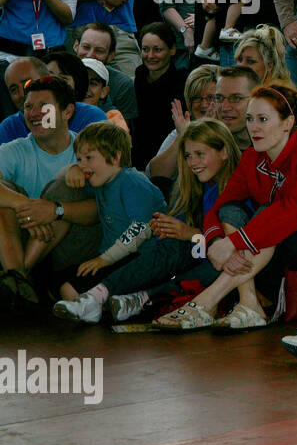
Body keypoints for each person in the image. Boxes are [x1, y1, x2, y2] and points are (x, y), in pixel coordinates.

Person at [154, 83, 297, 330]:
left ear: (288, 122)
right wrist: (217, 242)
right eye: (250, 119)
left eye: (263, 119)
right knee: (232, 210)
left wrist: (233, 242)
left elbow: (291, 212)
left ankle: (207, 301)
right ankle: (248, 302)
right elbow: (221, 206)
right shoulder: (252, 157)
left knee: (270, 214)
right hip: (277, 256)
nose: (254, 127)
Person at [51, 119, 242, 324]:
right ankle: (105, 296)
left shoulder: (238, 190)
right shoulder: (190, 187)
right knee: (173, 245)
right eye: (188, 156)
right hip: (187, 257)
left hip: (219, 264)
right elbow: (179, 236)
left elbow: (230, 247)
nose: (193, 162)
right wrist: (73, 168)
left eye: (200, 154)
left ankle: (136, 297)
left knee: (183, 251)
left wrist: (189, 233)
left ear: (224, 152)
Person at [44, 122, 165, 311]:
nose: (83, 165)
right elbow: (61, 177)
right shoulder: (101, 181)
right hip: (112, 258)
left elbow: (141, 228)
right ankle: (99, 304)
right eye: (79, 159)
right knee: (54, 282)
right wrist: (72, 169)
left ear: (115, 157)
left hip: (140, 259)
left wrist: (105, 259)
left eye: (89, 158)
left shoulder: (132, 182)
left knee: (69, 288)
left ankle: (101, 306)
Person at [0, 77, 84, 302]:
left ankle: (17, 278)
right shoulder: (14, 151)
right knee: (3, 192)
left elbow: (102, 208)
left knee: (67, 187)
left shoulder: (87, 151)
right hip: (22, 240)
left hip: (69, 250)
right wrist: (29, 208)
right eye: (28, 107)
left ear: (67, 112)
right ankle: (19, 278)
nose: (34, 113)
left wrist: (55, 210)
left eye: (43, 106)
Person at [144, 64, 219, 181]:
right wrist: (182, 136)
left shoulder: (232, 128)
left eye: (211, 98)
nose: (204, 104)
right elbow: (154, 175)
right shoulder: (183, 128)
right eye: (197, 98)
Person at [131, 23, 188, 170]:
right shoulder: (139, 77)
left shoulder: (181, 83)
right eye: (145, 49)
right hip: (138, 154)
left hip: (168, 155)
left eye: (157, 50)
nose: (150, 56)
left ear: (172, 50)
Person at [72, 23, 137, 123]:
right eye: (86, 47)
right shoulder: (61, 75)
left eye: (99, 51)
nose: (90, 55)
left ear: (111, 56)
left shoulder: (122, 84)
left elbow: (121, 130)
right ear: (76, 46)